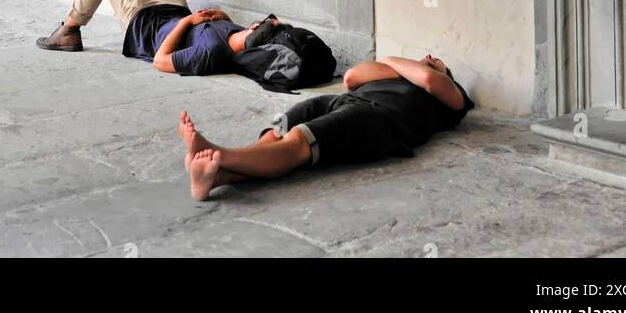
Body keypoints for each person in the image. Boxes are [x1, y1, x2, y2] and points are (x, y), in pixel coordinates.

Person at [178, 52, 475, 200]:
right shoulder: (395, 75)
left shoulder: (452, 95)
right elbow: (352, 78)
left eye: (435, 59)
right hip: (340, 102)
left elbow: (430, 80)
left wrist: (410, 63)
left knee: (297, 143)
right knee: (277, 132)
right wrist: (396, 64)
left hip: (378, 121)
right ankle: (215, 178)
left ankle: (221, 155)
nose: (427, 58)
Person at [35, 0, 279, 77]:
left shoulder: (209, 54)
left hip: (144, 21)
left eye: (258, 25)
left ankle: (69, 30)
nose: (256, 23)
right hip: (172, 7)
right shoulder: (236, 35)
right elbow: (224, 35)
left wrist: (188, 22)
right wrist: (222, 17)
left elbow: (160, 61)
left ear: (253, 31)